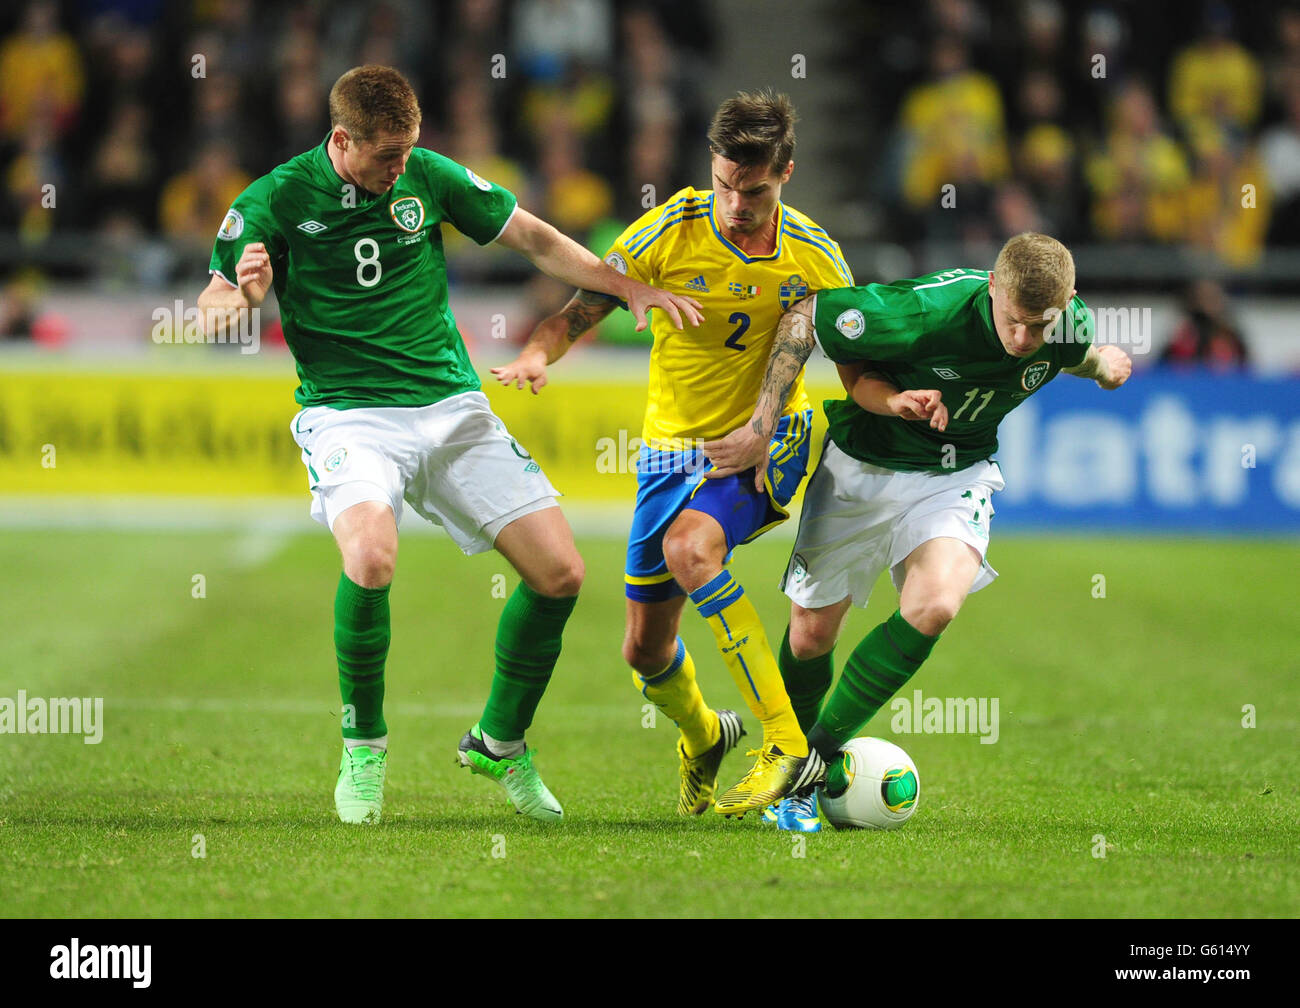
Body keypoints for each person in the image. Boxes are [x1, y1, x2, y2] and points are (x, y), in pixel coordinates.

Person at [197, 65, 701, 825]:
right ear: (342, 140)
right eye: (386, 155)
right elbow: (210, 313)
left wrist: (622, 287)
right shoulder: (272, 199)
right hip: (349, 415)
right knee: (370, 556)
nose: (401, 166)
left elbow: (531, 235)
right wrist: (244, 297)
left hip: (450, 405)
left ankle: (500, 743)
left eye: (408, 151)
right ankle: (364, 748)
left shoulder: (426, 174)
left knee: (561, 573)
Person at [494, 91, 853, 824]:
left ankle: (788, 746)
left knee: (691, 549)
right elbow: (579, 310)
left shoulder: (816, 255)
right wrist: (536, 353)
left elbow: (860, 350)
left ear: (786, 171)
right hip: (667, 455)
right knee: (644, 652)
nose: (734, 205)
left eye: (753, 192)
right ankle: (705, 733)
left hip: (761, 445)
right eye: (724, 184)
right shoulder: (668, 230)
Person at [705, 233, 1131, 822]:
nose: (1024, 341)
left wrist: (1101, 364)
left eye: (1040, 328)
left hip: (955, 478)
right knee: (809, 638)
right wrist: (780, 420)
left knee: (934, 605)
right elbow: (808, 318)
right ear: (992, 288)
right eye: (1014, 322)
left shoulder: (1065, 326)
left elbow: (1075, 351)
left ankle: (804, 767)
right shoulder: (925, 311)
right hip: (861, 467)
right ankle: (793, 752)